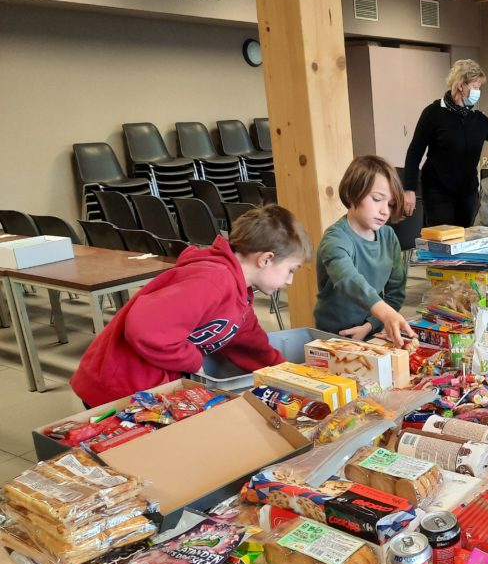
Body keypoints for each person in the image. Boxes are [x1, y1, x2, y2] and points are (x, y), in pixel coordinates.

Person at [71, 205, 311, 407]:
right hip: (117, 385)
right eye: (291, 270)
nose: (289, 281)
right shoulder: (214, 280)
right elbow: (144, 329)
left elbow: (248, 340)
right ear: (266, 259)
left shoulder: (240, 290)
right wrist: (193, 360)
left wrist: (285, 373)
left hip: (143, 384)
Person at [403, 59, 488, 228]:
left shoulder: (477, 120)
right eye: (475, 87)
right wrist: (408, 189)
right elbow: (414, 152)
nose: (478, 92)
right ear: (461, 85)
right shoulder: (433, 113)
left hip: (467, 192)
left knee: (466, 240)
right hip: (438, 191)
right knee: (444, 241)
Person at [314, 155, 417, 347]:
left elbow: (395, 294)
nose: (385, 210)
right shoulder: (335, 239)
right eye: (377, 199)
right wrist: (385, 313)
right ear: (353, 193)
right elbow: (349, 280)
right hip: (333, 337)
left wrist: (371, 325)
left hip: (373, 334)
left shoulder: (388, 237)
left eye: (391, 204)